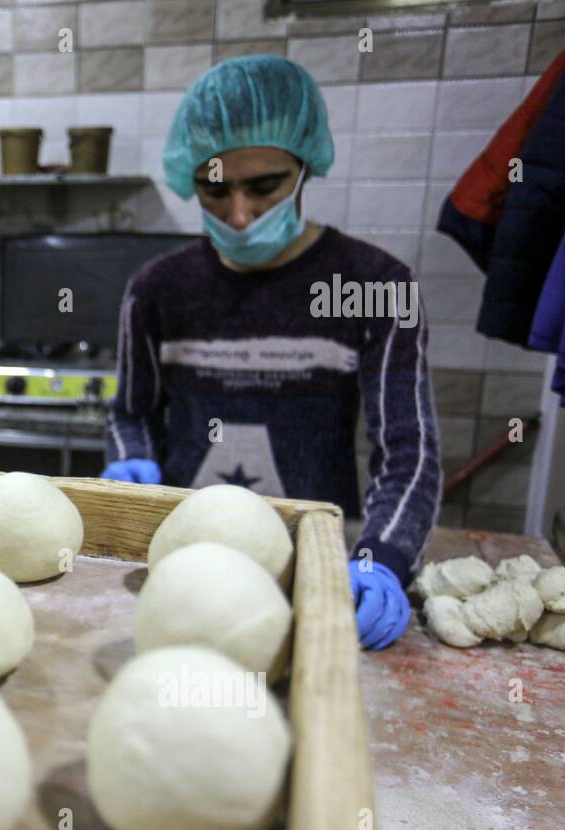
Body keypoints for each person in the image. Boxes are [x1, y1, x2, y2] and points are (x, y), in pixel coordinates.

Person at [103, 56, 441, 651]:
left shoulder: (372, 287)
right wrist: (131, 460)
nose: (239, 213)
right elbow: (131, 411)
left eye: (265, 186)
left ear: (305, 166)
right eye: (214, 189)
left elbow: (409, 449)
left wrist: (383, 558)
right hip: (185, 572)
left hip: (314, 571)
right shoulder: (157, 289)